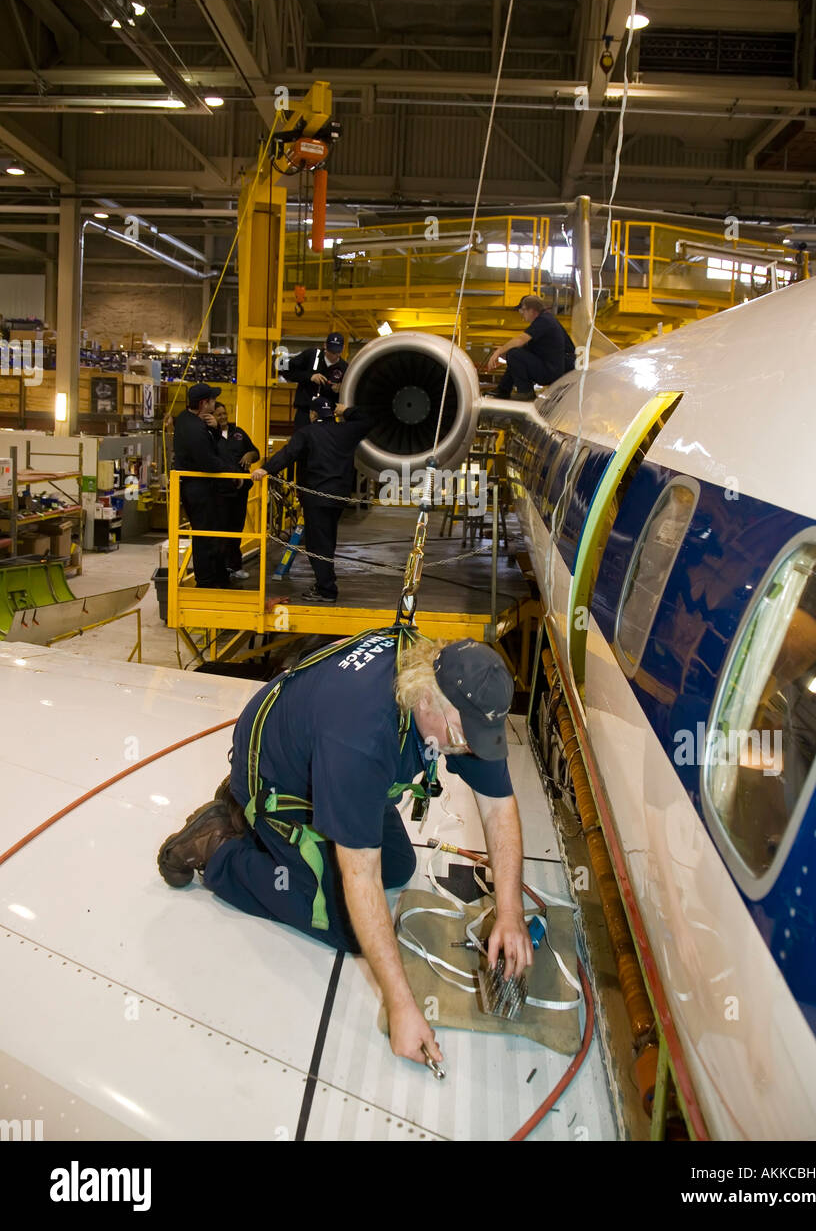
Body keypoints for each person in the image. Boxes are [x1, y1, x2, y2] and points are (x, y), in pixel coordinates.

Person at [156, 634, 533, 1070]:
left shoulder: (457, 702)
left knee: (398, 866)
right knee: (351, 929)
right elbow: (359, 877)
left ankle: (248, 817)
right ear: (426, 696)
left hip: (318, 754)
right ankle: (219, 846)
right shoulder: (362, 735)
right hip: (280, 778)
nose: (468, 748)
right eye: (462, 737)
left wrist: (509, 912)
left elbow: (499, 807)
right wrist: (402, 1007)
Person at [250, 395, 372, 604]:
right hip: (338, 497)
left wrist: (265, 469)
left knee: (318, 544)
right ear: (333, 413)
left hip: (316, 497)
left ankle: (326, 590)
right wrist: (347, 412)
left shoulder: (306, 433)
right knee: (328, 540)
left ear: (313, 414)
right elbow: (369, 420)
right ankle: (325, 581)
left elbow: (288, 454)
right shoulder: (346, 430)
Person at [171, 383, 241, 589]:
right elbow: (209, 461)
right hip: (200, 491)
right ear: (203, 403)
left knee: (210, 534)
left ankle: (216, 577)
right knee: (206, 536)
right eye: (212, 400)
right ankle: (207, 582)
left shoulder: (187, 419)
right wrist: (232, 474)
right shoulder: (195, 430)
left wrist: (215, 429)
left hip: (198, 489)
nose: (215, 404)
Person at [486, 294, 576, 400]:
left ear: (532, 310)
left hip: (551, 371)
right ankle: (503, 389)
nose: (521, 313)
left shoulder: (544, 321)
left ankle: (525, 392)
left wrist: (499, 352)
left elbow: (520, 340)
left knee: (514, 354)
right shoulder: (546, 320)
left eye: (523, 310)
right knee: (515, 354)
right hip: (555, 368)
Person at [213, 401, 260, 580]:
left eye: (224, 413)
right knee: (221, 529)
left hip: (240, 491)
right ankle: (221, 568)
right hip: (220, 491)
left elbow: (255, 452)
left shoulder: (238, 433)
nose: (223, 417)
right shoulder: (211, 436)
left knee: (236, 528)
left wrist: (250, 455)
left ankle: (235, 565)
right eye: (219, 415)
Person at [282, 331, 348, 429]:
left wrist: (338, 391)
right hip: (305, 412)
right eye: (331, 352)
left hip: (327, 415)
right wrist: (309, 377)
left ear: (343, 348)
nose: (334, 356)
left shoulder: (344, 368)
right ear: (325, 346)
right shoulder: (311, 356)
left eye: (337, 352)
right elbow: (286, 371)